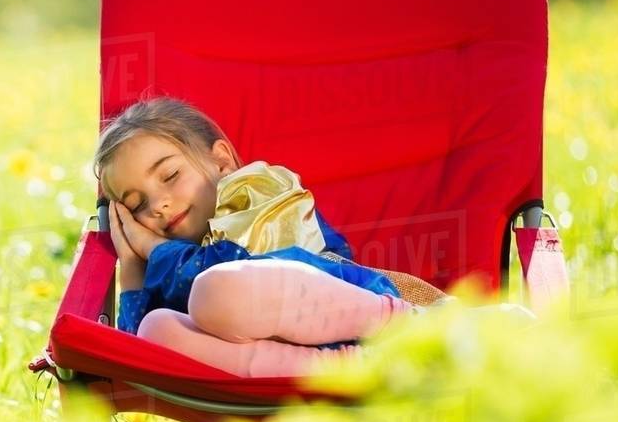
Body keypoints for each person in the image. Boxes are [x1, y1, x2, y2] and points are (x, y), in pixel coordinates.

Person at [94, 96, 446, 378]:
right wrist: (132, 272)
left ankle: (408, 321)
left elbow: (239, 271)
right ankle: (347, 370)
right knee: (156, 330)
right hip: (322, 362)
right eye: (137, 205)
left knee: (216, 290)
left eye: (170, 175)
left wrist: (156, 250)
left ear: (221, 161)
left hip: (364, 315)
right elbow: (140, 364)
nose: (158, 204)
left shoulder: (257, 193)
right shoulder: (166, 265)